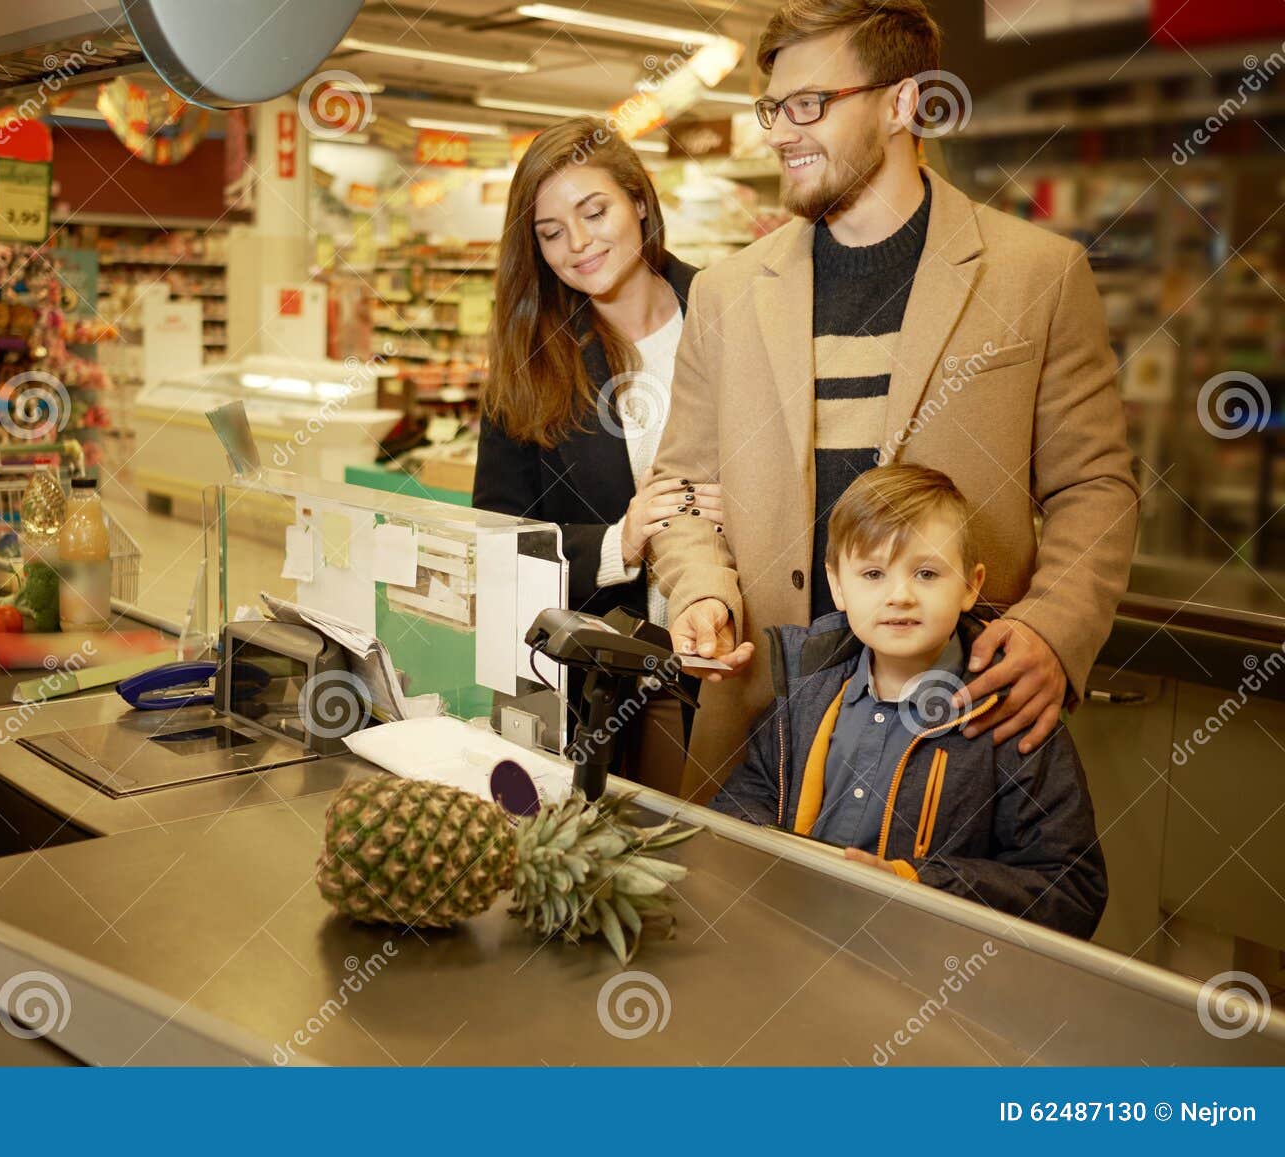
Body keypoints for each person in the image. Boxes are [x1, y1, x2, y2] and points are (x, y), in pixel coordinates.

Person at [651, 0, 1138, 802]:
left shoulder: (1036, 276)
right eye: (772, 108)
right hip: (761, 720)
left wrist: (1055, 626)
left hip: (960, 722)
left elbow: (1096, 487)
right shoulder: (727, 293)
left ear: (904, 102)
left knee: (931, 922)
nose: (778, 132)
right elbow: (681, 496)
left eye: (808, 105)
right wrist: (700, 586)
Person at [713, 465, 1108, 937]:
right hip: (795, 939)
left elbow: (1071, 889)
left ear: (970, 586)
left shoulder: (1013, 719)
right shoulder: (803, 696)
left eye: (926, 572)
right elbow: (742, 802)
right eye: (874, 573)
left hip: (931, 973)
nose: (899, 596)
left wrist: (915, 884)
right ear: (838, 586)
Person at [473, 117, 722, 795]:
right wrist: (621, 541)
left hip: (741, 667)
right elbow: (498, 539)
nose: (578, 244)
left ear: (639, 200)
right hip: (614, 684)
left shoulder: (730, 311)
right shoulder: (529, 365)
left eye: (594, 211)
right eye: (550, 233)